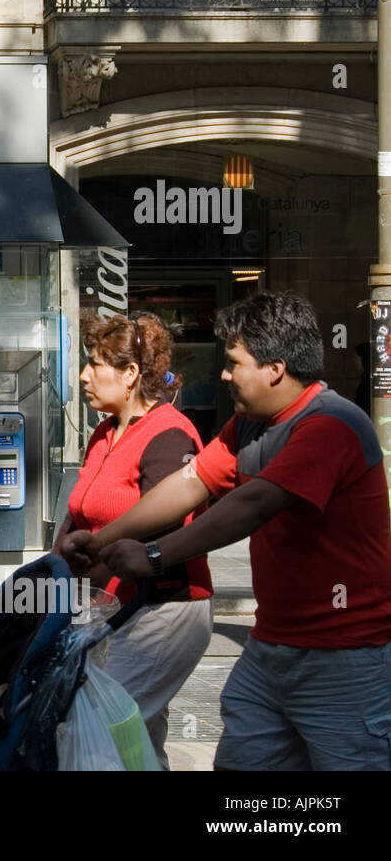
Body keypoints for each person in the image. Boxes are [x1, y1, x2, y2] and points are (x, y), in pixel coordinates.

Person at [60, 292, 391, 770]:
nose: (224, 374)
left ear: (274, 368)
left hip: (345, 657)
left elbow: (251, 504)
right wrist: (106, 537)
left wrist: (154, 555)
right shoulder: (250, 426)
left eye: (234, 363)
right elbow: (191, 482)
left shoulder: (330, 424)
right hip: (271, 646)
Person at [50, 311, 212, 769]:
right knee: (136, 737)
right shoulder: (104, 432)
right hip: (111, 607)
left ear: (130, 374)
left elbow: (166, 527)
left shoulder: (169, 434)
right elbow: (80, 513)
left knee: (101, 725)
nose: (84, 375)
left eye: (96, 364)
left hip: (162, 608)